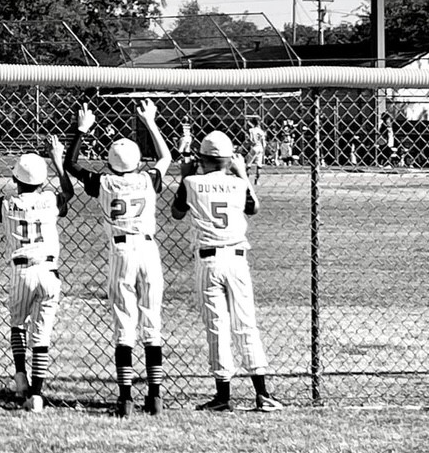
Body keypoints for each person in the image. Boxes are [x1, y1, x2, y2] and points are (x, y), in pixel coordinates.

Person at [64, 100, 171, 417]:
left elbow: (71, 164)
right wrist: (150, 122)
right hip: (149, 250)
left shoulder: (104, 182)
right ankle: (155, 397)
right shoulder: (147, 179)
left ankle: (125, 398)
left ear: (110, 161)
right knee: (152, 324)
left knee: (125, 325)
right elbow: (166, 157)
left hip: (121, 251)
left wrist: (82, 129)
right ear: (137, 161)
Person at [171, 131, 283, 413]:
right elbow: (254, 208)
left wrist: (184, 175)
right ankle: (262, 393)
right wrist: (242, 173)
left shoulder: (192, 182)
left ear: (202, 158)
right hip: (237, 260)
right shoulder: (237, 183)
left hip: (209, 261)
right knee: (246, 324)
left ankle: (223, 396)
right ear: (228, 159)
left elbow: (177, 211)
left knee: (217, 327)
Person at [0, 137, 74, 412]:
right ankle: (37, 394)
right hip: (49, 270)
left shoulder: (8, 203)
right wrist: (58, 162)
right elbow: (68, 193)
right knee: (42, 334)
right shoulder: (51, 200)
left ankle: (20, 378)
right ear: (42, 181)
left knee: (18, 325)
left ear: (16, 179)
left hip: (21, 271)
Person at [245, 117, 267, 186]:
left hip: (254, 147)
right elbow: (264, 143)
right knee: (259, 165)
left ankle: (246, 180)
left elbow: (251, 140)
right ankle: (256, 181)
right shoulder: (261, 131)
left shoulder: (251, 130)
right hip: (260, 148)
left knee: (248, 164)